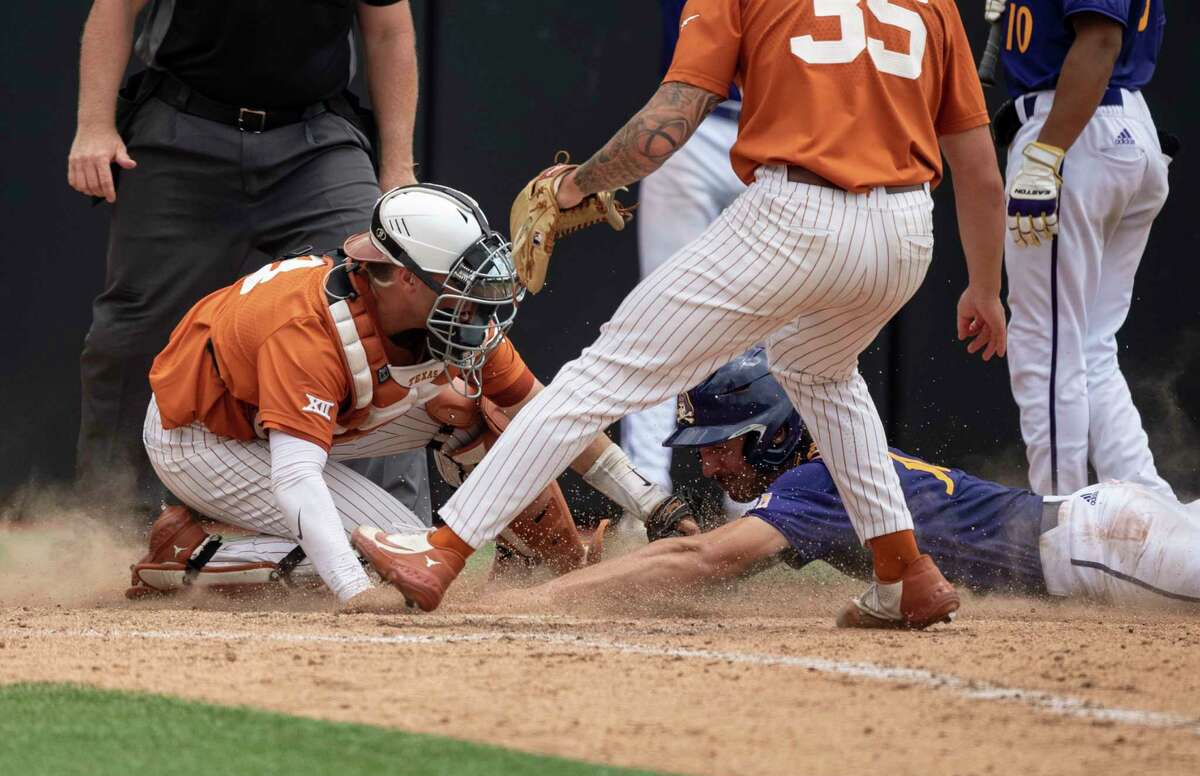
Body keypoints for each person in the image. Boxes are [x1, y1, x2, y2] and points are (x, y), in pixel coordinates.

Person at [352, 0, 1009, 629]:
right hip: (904, 231)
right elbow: (979, 171)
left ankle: (443, 548)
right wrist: (984, 286)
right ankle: (905, 571)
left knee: (597, 378)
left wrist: (574, 183)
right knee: (822, 371)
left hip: (797, 211)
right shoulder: (932, 3)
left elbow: (673, 116)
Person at [126, 186, 691, 603]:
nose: (474, 306)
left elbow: (546, 418)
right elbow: (295, 476)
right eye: (457, 286)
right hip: (203, 436)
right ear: (401, 276)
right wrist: (352, 589)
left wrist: (651, 502)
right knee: (389, 564)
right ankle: (190, 554)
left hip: (279, 419)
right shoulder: (307, 331)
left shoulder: (441, 319)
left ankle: (536, 557)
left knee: (476, 406)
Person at [68, 0, 429, 522]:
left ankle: (392, 531)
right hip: (184, 125)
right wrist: (94, 125)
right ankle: (112, 531)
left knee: (374, 307)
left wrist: (396, 167)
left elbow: (389, 33)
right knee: (129, 334)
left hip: (316, 139)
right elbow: (115, 8)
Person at [513, 351, 1200, 616]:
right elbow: (708, 563)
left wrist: (547, 599)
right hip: (1097, 528)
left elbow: (705, 561)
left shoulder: (819, 478)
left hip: (1103, 547)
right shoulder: (824, 467)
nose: (712, 466)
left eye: (721, 445)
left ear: (773, 429)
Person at [986, 0, 1173, 497]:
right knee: (1089, 346)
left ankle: (1059, 515)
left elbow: (1101, 40)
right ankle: (1148, 509)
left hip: (1073, 123)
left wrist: (1046, 153)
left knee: (1044, 343)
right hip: (1115, 125)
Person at [622, 0, 746, 501]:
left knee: (775, 327)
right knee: (660, 317)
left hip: (781, 134)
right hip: (690, 121)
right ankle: (645, 497)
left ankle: (758, 499)